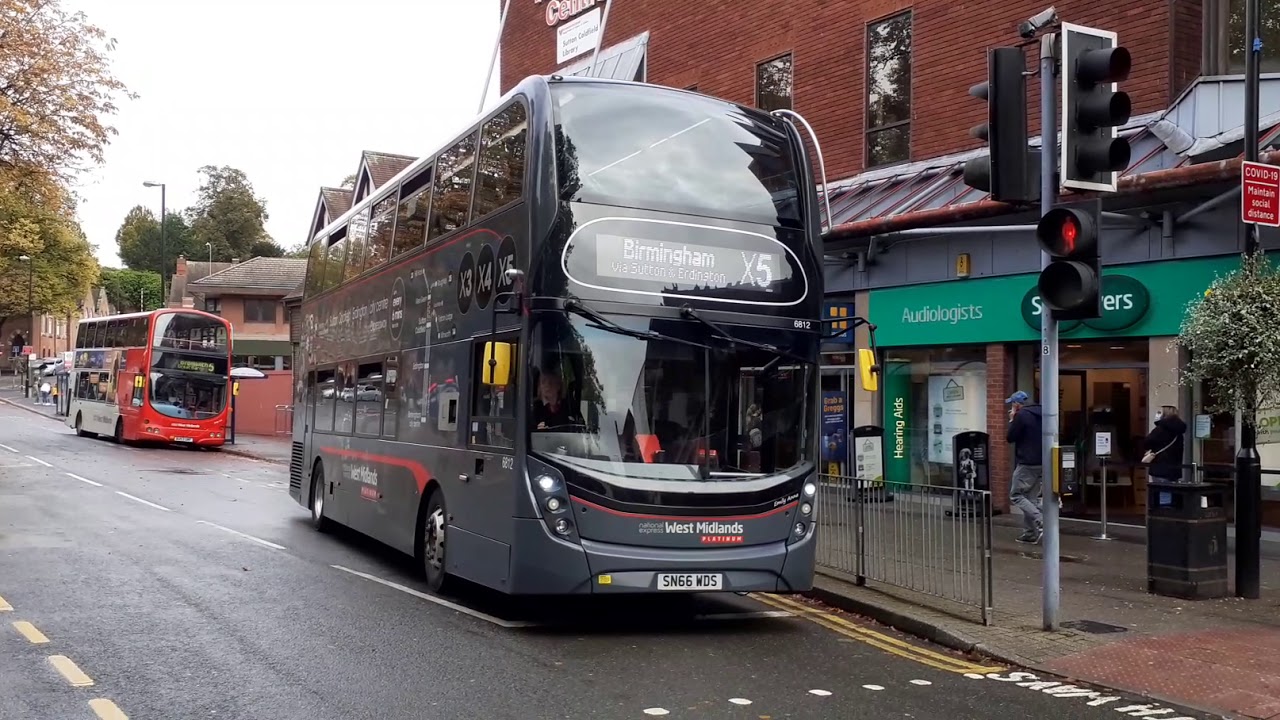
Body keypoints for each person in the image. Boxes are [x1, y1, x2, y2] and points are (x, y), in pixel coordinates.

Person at [1005, 390, 1044, 544]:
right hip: (1042, 462)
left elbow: (1010, 437)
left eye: (1012, 404)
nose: (1012, 407)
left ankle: (1040, 519)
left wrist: (1012, 419)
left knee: (1016, 495)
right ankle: (1030, 533)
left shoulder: (1021, 416)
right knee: (1031, 498)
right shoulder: (1043, 412)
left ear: (1017, 404)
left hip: (1027, 463)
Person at [1143, 405, 1187, 483]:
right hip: (1174, 469)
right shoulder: (1179, 430)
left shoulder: (1161, 429)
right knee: (1171, 491)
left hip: (1160, 467)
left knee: (1160, 491)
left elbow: (1146, 443)